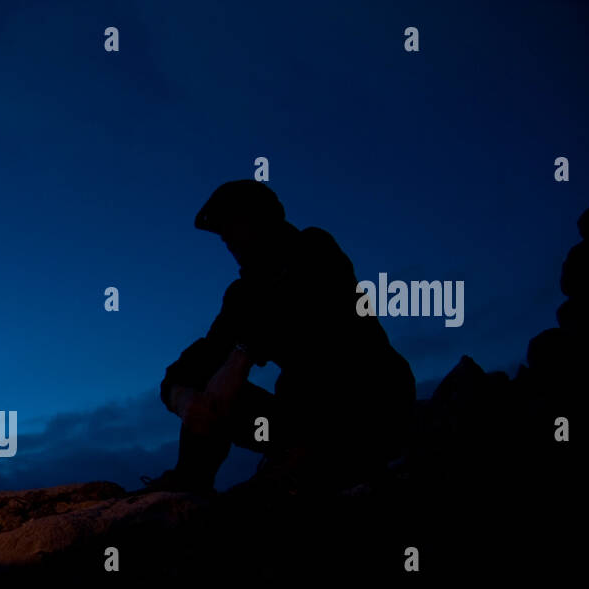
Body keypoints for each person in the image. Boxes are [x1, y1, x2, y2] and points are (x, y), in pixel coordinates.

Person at [145, 180, 415, 496]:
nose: (227, 240)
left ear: (263, 219)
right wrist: (182, 397)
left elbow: (296, 300)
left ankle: (332, 464)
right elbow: (205, 354)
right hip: (300, 424)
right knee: (205, 383)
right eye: (222, 233)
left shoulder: (315, 248)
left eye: (232, 225)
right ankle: (189, 486)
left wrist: (241, 356)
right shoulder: (241, 296)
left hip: (370, 407)